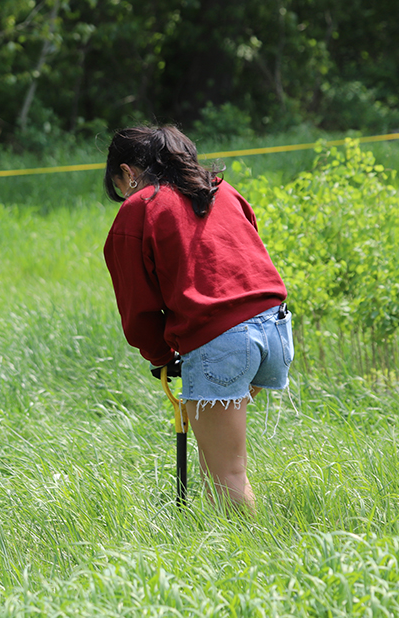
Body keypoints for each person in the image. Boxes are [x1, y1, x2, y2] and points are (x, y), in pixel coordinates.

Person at [102, 125, 293, 514]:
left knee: (228, 474)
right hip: (275, 328)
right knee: (215, 457)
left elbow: (137, 307)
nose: (126, 194)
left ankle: (251, 560)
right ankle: (218, 542)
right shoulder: (221, 189)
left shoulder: (141, 206)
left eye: (121, 185)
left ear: (128, 172)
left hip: (224, 341)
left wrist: (159, 355)